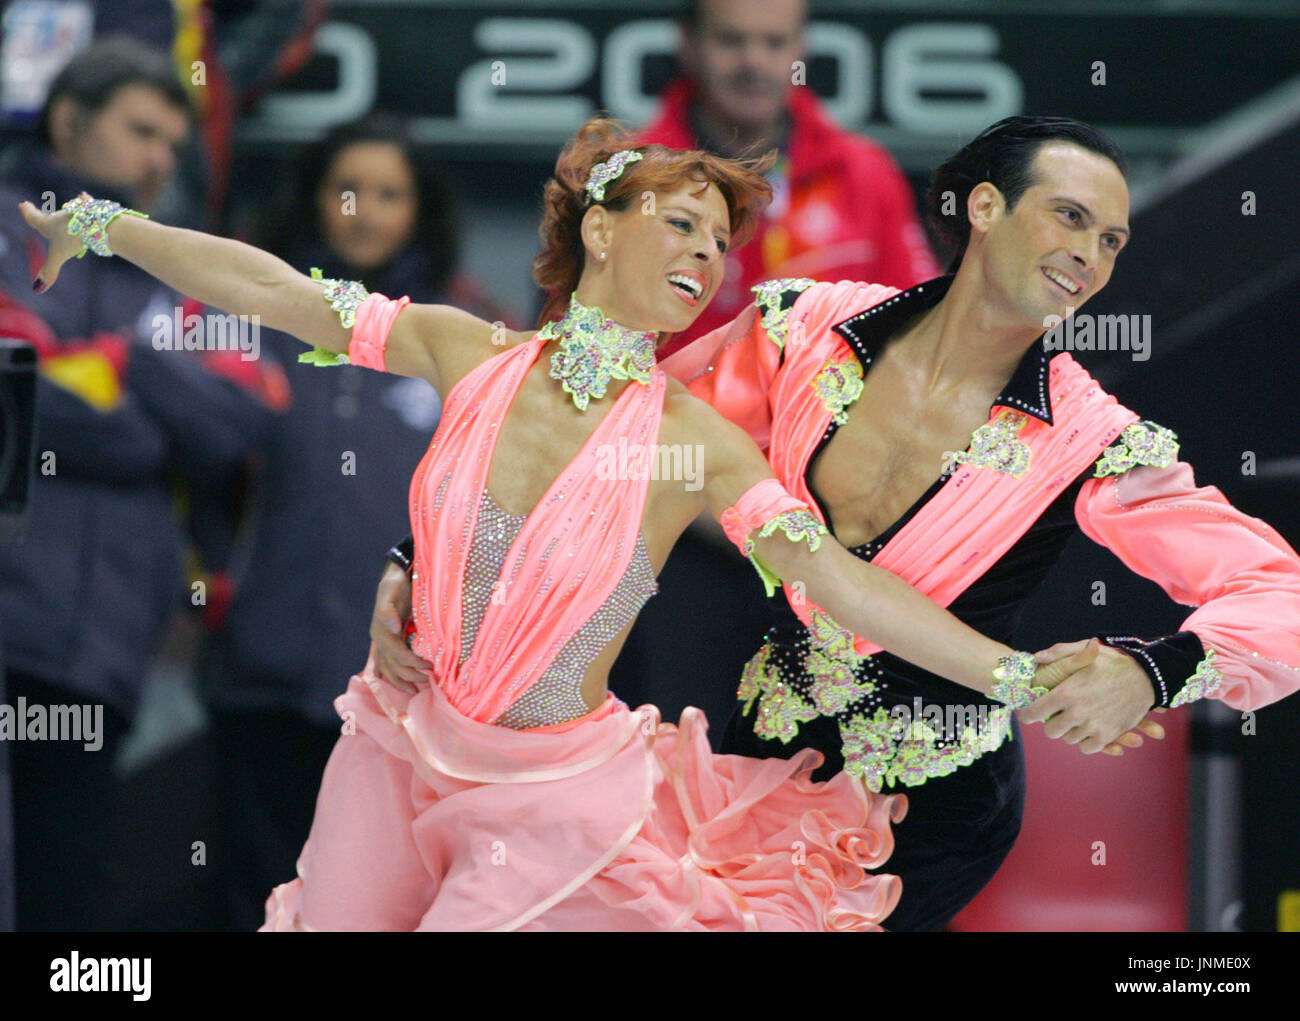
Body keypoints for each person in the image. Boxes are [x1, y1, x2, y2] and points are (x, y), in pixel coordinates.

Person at [20, 118, 1096, 931]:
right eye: (680, 223)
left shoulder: (697, 443)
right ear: (598, 226)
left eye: (720, 243)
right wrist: (112, 228)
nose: (706, 256)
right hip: (399, 743)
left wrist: (1014, 675)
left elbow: (844, 586)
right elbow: (281, 292)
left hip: (549, 795)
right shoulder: (463, 349)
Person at [373, 115, 1300, 932]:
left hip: (930, 804)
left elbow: (1279, 593)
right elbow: (597, 425)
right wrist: (431, 553)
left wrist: (1153, 670)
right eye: (1070, 217)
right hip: (753, 751)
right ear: (983, 207)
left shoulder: (1096, 440)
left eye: (1112, 240)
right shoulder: (804, 328)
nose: (1090, 257)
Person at [0, 36, 279, 932]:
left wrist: (115, 361)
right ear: (69, 120)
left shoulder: (187, 264)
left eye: (173, 138)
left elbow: (244, 412)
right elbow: (16, 394)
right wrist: (144, 404)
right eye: (141, 130)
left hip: (103, 650)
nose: (163, 157)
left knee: (61, 901)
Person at [613, 0, 941, 735]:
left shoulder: (864, 176)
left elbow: (920, 352)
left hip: (835, 546)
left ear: (801, 47)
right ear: (688, 44)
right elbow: (578, 365)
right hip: (675, 541)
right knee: (672, 770)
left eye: (773, 41)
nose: (753, 62)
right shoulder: (631, 182)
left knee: (821, 785)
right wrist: (694, 497)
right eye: (731, 40)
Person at [199, 113, 455, 931]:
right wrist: (206, 586)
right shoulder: (252, 324)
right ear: (313, 196)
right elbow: (194, 475)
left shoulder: (456, 340)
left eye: (390, 193)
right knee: (254, 889)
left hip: (404, 695)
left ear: (421, 209)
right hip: (261, 673)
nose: (367, 210)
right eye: (348, 189)